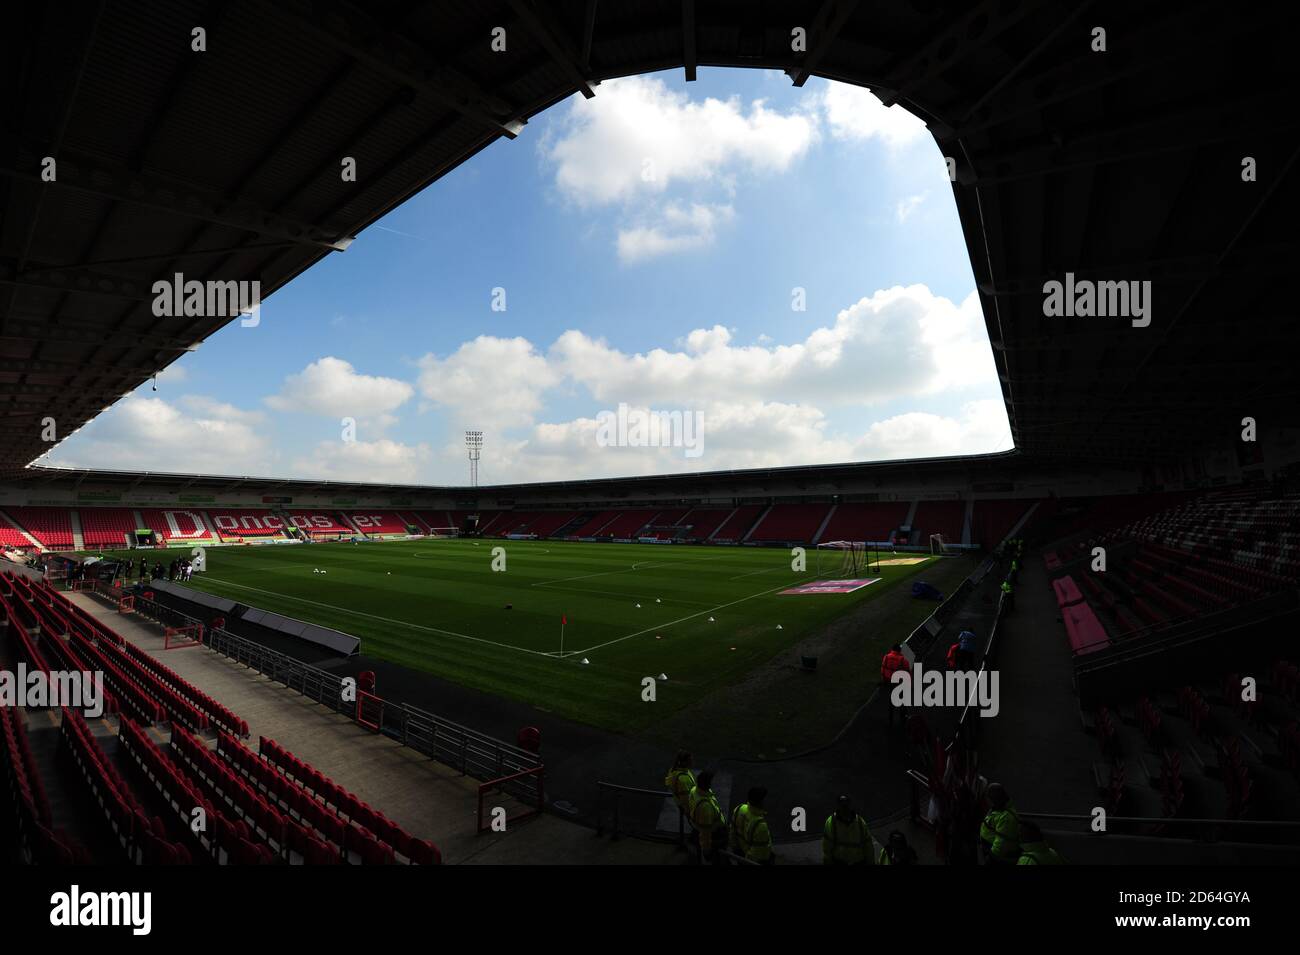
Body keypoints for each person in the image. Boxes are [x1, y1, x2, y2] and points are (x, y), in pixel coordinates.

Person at [688, 769, 727, 863]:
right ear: (707, 783)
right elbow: (706, 832)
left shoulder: (694, 790)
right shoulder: (705, 807)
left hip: (707, 826)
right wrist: (707, 849)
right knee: (717, 857)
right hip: (715, 833)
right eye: (711, 781)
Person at [822, 796, 874, 865]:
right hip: (840, 861)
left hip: (857, 861)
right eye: (843, 805)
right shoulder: (831, 822)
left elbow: (868, 845)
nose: (844, 808)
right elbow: (827, 846)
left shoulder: (860, 822)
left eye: (846, 805)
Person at [979, 782, 1021, 865]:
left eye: (989, 797)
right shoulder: (996, 809)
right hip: (990, 850)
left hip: (999, 857)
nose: (987, 800)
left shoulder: (1006, 817)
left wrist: (991, 858)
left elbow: (1002, 842)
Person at [730, 786, 773, 864]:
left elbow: (732, 831)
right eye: (763, 799)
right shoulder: (760, 825)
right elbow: (757, 853)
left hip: (740, 853)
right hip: (757, 860)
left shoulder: (739, 809)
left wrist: (735, 849)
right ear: (760, 802)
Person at [881, 644, 911, 727]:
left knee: (891, 700)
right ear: (899, 651)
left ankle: (890, 718)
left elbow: (883, 669)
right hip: (900, 682)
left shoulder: (886, 657)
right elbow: (907, 673)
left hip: (889, 681)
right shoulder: (903, 660)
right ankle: (903, 717)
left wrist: (884, 679)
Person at [664, 751, 696, 815]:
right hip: (690, 810)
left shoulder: (675, 770)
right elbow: (685, 800)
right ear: (684, 762)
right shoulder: (682, 778)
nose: (692, 762)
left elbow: (668, 783)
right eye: (690, 760)